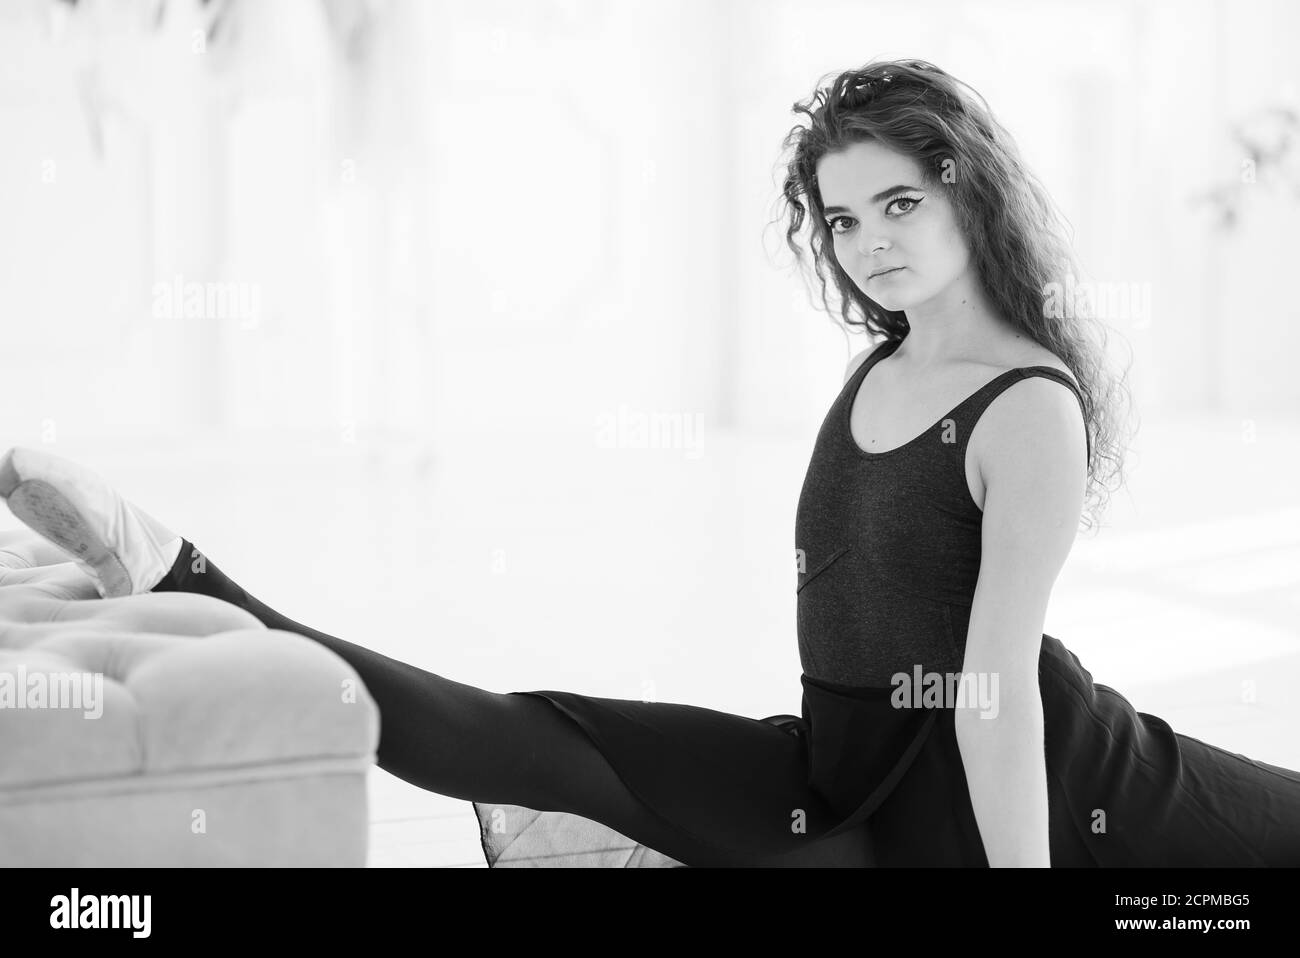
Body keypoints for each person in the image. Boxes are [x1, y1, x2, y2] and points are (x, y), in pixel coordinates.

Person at [4, 58, 1299, 868]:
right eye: (843, 218)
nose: (868, 244)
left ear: (971, 191)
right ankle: (184, 570)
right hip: (837, 777)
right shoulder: (887, 363)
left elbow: (991, 695)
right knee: (519, 737)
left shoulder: (1027, 409)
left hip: (1054, 792)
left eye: (900, 203)